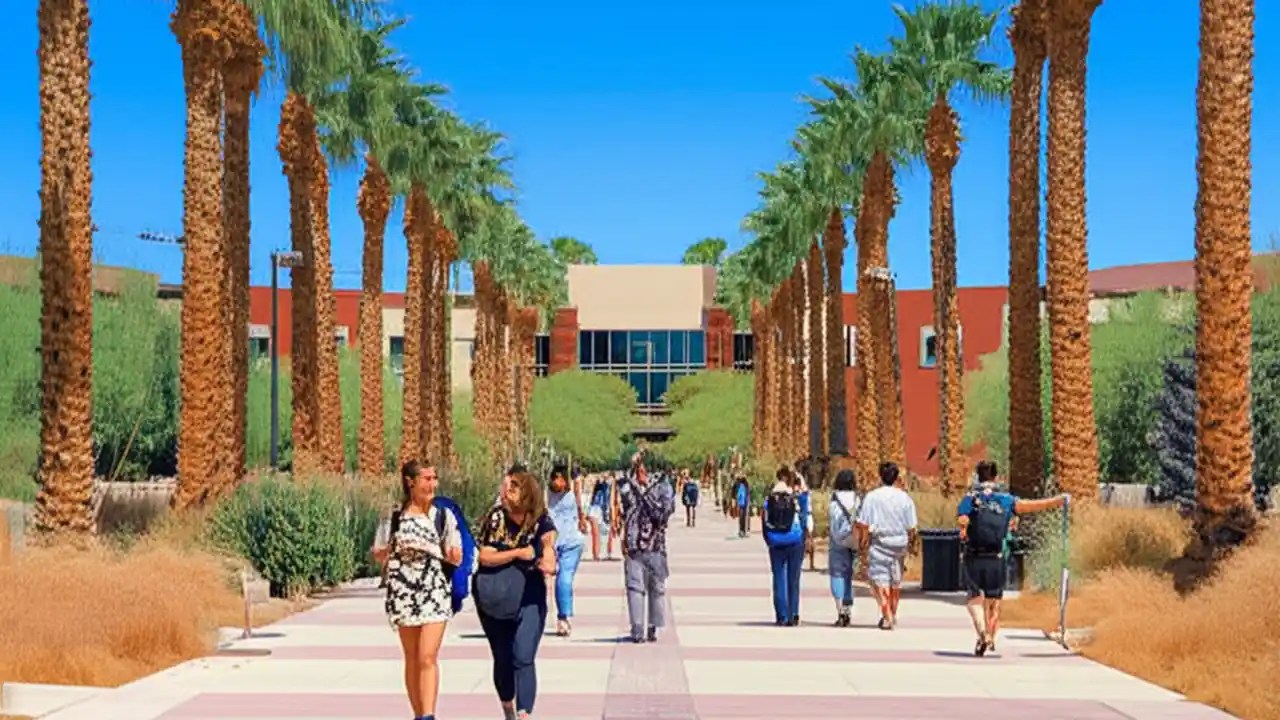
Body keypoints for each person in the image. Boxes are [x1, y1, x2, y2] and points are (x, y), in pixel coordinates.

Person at [372, 460, 463, 720]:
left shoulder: (443, 516)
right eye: (426, 478)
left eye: (434, 478)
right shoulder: (394, 516)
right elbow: (378, 552)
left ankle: (429, 716)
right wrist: (391, 550)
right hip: (403, 592)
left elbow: (455, 554)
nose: (432, 484)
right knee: (412, 657)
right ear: (411, 482)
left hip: (434, 592)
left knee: (427, 656)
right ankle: (418, 713)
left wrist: (452, 554)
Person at [957, 460, 1069, 657]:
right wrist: (1057, 501)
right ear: (995, 477)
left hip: (973, 555)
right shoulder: (1006, 499)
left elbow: (962, 519)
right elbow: (1030, 506)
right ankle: (990, 636)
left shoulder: (971, 498)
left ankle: (982, 632)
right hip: (996, 556)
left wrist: (964, 528)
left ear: (978, 477)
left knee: (974, 599)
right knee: (994, 602)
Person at [473, 471, 557, 720]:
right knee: (502, 656)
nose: (506, 490)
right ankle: (508, 708)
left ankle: (524, 715)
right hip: (493, 594)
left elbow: (549, 540)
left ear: (526, 493)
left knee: (523, 655)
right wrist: (518, 554)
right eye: (506, 485)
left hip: (528, 594)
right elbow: (484, 556)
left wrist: (548, 558)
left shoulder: (539, 519)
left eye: (513, 486)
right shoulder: (496, 517)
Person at [613, 456, 676, 643]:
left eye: (643, 470)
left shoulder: (664, 488)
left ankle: (652, 627)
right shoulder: (630, 488)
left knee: (656, 589)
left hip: (655, 546)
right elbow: (625, 508)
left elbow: (664, 514)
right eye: (638, 470)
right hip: (634, 545)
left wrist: (646, 495)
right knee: (634, 587)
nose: (641, 474)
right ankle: (637, 628)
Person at [855, 462, 918, 630]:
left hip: (880, 544)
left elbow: (863, 524)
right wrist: (912, 544)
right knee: (895, 581)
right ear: (897, 477)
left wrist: (862, 543)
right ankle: (893, 613)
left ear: (880, 476)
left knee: (879, 581)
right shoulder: (905, 498)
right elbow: (912, 526)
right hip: (899, 544)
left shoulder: (872, 497)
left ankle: (887, 614)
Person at [546, 464, 587, 637]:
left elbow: (580, 507)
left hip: (571, 541)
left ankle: (564, 617)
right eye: (554, 478)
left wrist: (582, 519)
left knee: (564, 579)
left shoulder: (574, 491)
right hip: (551, 542)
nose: (557, 482)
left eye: (560, 477)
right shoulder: (546, 493)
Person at [761, 466, 805, 626]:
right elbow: (804, 517)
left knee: (779, 577)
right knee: (794, 578)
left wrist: (769, 540)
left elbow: (765, 522)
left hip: (776, 541)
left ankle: (782, 615)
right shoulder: (796, 497)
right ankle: (793, 614)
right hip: (795, 540)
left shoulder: (769, 499)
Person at [826, 469, 861, 627]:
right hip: (853, 539)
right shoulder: (858, 499)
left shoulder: (834, 501)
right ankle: (848, 607)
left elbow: (832, 523)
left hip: (838, 541)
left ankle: (840, 609)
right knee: (849, 575)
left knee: (837, 573)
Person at [585, 473, 615, 561]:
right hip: (594, 507)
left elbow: (612, 497)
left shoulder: (611, 482)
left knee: (606, 532)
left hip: (604, 508)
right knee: (595, 534)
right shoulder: (594, 479)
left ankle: (606, 552)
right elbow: (589, 492)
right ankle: (596, 555)